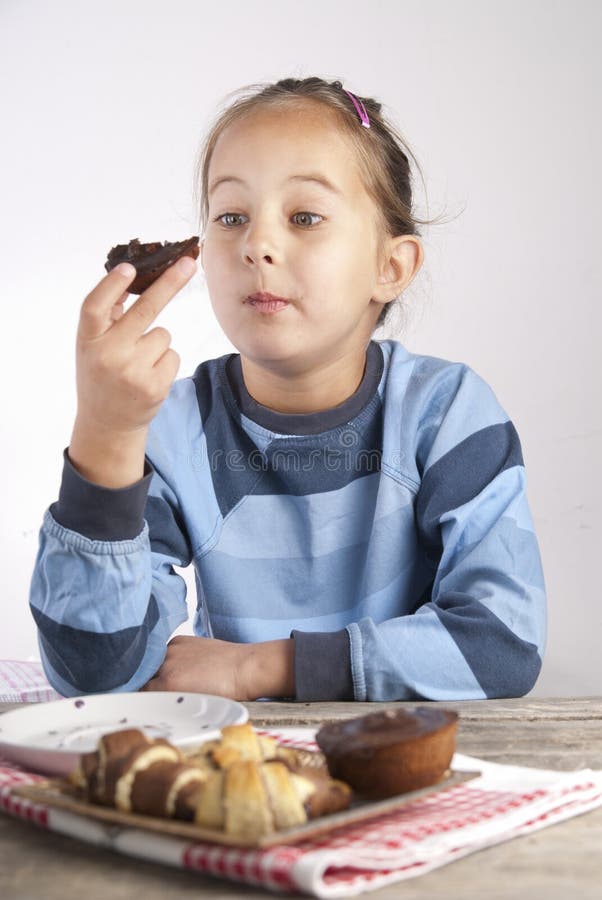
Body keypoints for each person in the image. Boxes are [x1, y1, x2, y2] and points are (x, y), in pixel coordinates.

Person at [29, 76, 546, 701]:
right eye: (231, 216)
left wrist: (258, 668)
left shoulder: (446, 415)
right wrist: (105, 437)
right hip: (236, 765)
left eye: (304, 217)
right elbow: (95, 676)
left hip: (407, 762)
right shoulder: (173, 429)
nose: (258, 244)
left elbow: (504, 642)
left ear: (391, 266)